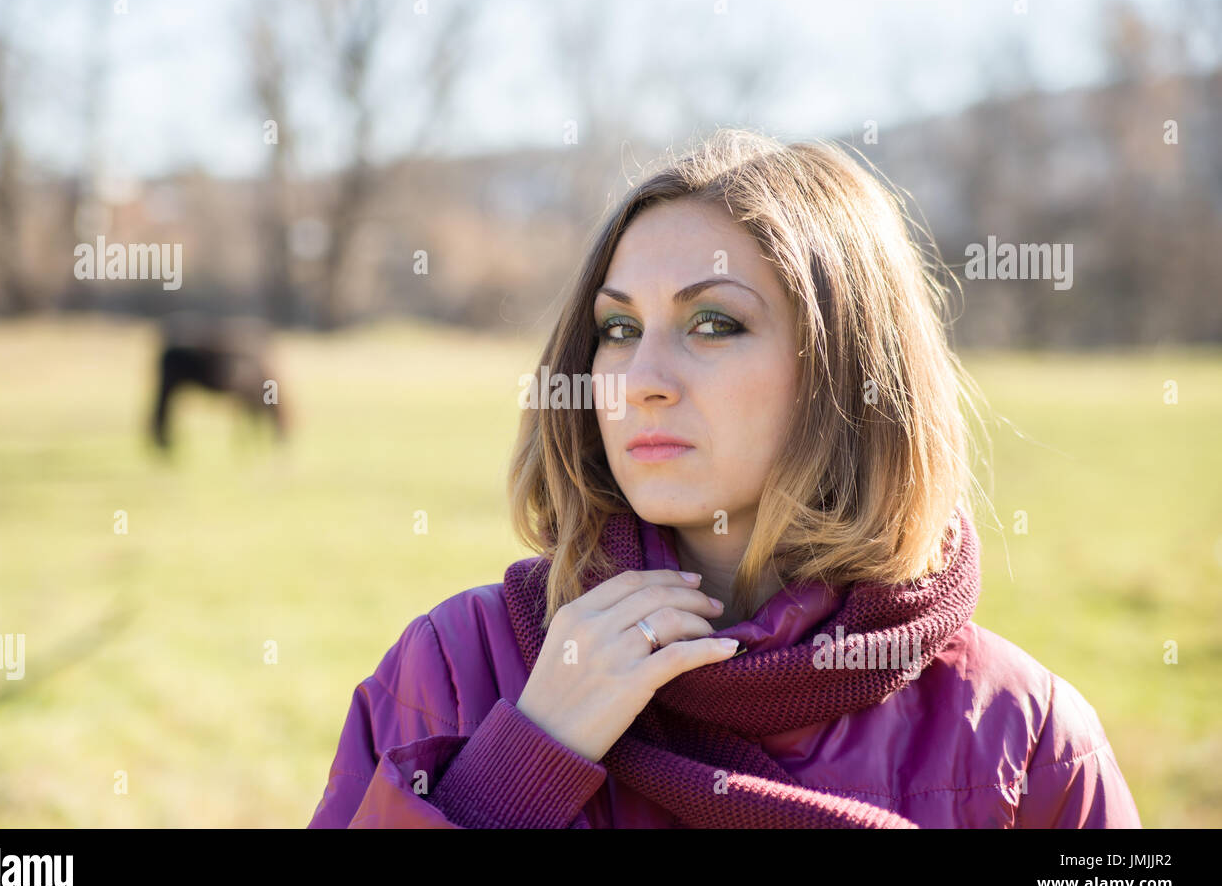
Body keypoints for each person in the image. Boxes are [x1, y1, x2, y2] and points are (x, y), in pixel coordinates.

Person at [307, 129, 1142, 828]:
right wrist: (520, 763)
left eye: (714, 322)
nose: (642, 377)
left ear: (846, 373)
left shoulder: (1024, 736)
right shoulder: (457, 668)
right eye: (619, 326)